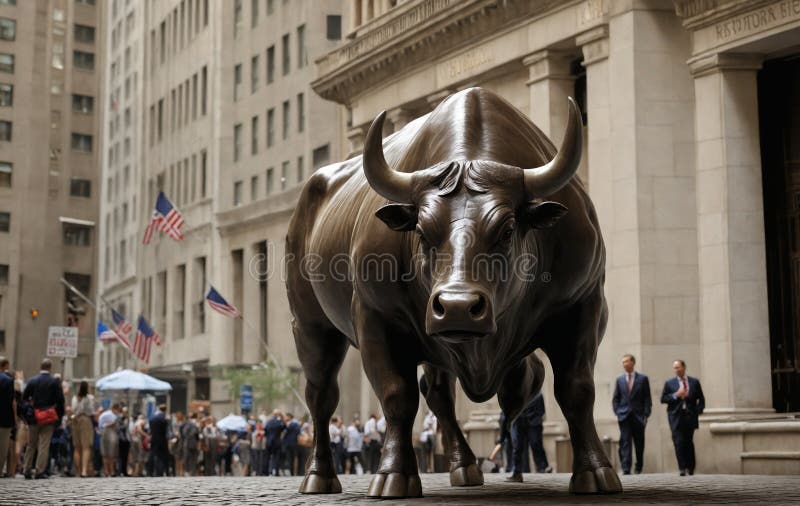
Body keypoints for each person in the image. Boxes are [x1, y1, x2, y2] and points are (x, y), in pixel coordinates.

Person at [22, 358, 65, 479]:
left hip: (34, 417)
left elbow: (24, 399)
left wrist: (27, 414)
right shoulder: (54, 382)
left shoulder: (32, 381)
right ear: (50, 368)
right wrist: (59, 417)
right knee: (44, 445)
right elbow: (60, 401)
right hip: (48, 418)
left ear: (40, 367)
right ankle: (40, 470)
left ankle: (26, 468)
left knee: (31, 444)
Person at [661, 359, 705, 476]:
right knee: (678, 442)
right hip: (675, 417)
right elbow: (663, 399)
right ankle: (682, 468)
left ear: (684, 368)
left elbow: (701, 399)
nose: (676, 370)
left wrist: (698, 411)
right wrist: (676, 395)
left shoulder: (694, 382)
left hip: (689, 416)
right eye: (674, 368)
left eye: (678, 367)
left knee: (689, 442)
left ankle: (691, 467)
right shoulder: (669, 383)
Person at [612, 354, 652, 475]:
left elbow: (647, 398)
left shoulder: (643, 379)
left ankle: (638, 467)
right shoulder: (619, 380)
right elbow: (615, 399)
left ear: (633, 362)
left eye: (627, 361)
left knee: (639, 443)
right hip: (624, 417)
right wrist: (618, 412)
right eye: (623, 362)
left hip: (639, 417)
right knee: (625, 442)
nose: (624, 364)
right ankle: (626, 468)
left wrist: (646, 414)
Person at [506, 393, 552, 482]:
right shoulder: (515, 393)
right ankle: (517, 472)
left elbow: (541, 411)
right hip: (519, 422)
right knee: (517, 447)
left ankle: (542, 469)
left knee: (536, 444)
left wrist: (536, 418)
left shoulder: (538, 394)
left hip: (534, 423)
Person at [70, 380, 95, 478]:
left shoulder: (75, 398)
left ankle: (78, 470)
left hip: (75, 421)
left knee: (77, 447)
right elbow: (91, 410)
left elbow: (72, 410)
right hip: (85, 420)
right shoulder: (90, 398)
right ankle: (84, 471)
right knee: (86, 447)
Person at [0, 356, 16, 477]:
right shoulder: (8, 380)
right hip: (4, 418)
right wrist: (14, 417)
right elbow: (12, 401)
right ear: (5, 366)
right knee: (2, 446)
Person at [98, 402, 120, 477]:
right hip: (110, 434)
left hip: (103, 434)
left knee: (105, 454)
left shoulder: (104, 414)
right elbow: (113, 424)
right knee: (111, 454)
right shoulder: (112, 415)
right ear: (115, 408)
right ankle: (111, 471)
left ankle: (107, 471)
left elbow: (100, 425)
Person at [149, 404, 170, 476]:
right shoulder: (164, 418)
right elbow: (165, 430)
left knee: (152, 454)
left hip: (153, 438)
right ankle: (160, 471)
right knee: (162, 456)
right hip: (162, 439)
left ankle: (150, 471)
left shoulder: (152, 418)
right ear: (165, 410)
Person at [264, 409, 285, 476]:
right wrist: (282, 418)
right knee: (276, 457)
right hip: (277, 442)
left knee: (267, 457)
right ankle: (276, 472)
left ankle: (266, 472)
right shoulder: (279, 422)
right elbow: (284, 427)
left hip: (269, 442)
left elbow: (265, 431)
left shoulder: (268, 422)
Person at [118, 405, 131, 476]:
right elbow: (118, 428)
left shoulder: (128, 419)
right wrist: (124, 425)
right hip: (121, 439)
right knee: (120, 456)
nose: (126, 413)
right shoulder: (119, 419)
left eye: (127, 412)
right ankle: (120, 471)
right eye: (124, 412)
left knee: (126, 456)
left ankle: (125, 471)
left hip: (127, 439)